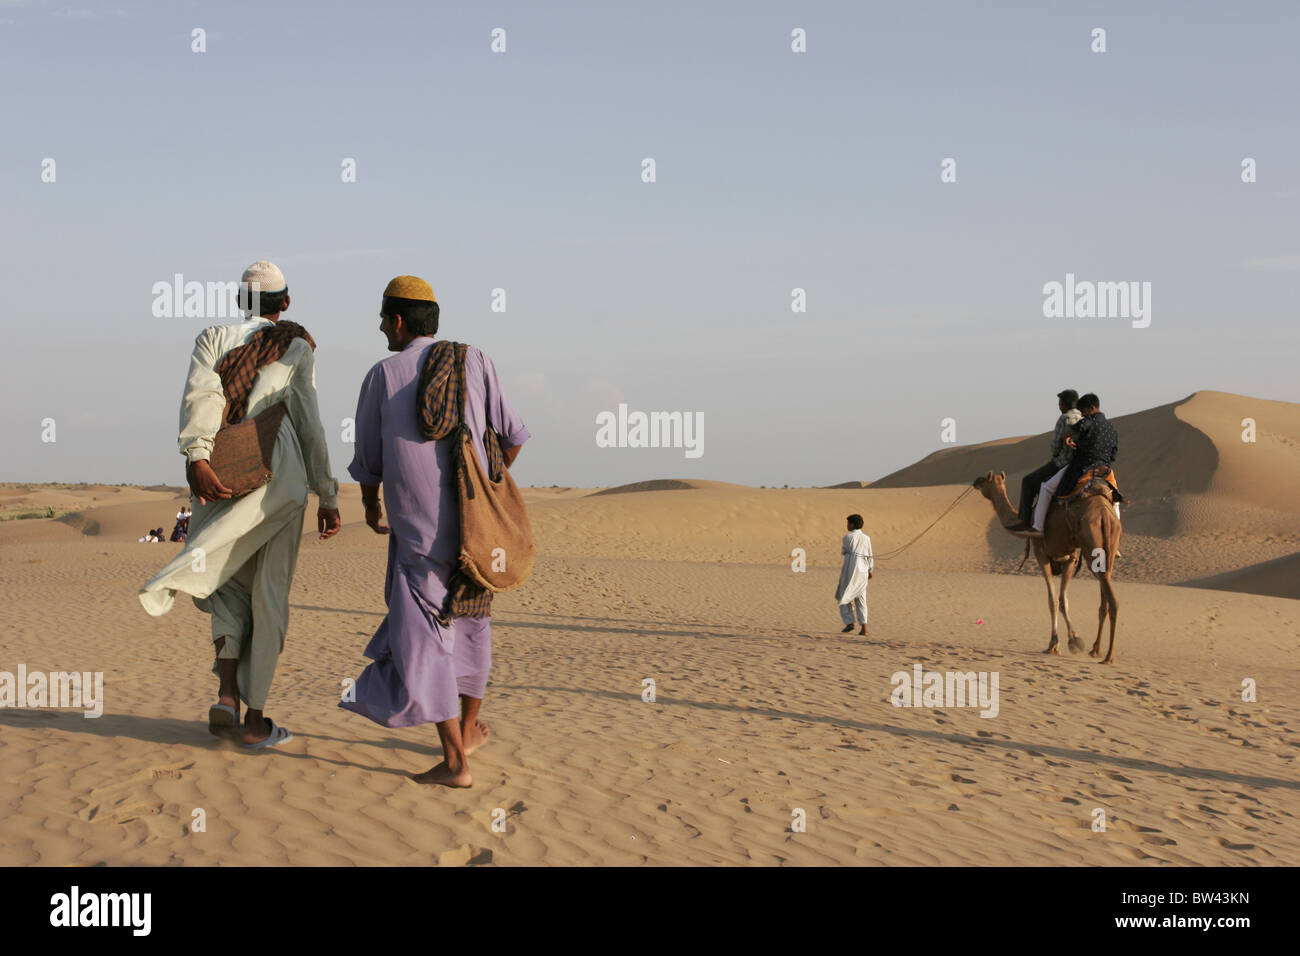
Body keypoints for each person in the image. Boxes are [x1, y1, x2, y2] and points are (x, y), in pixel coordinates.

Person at [139, 260, 341, 748]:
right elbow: (308, 423)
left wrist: (197, 457)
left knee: (226, 583)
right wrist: (327, 493)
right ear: (285, 303)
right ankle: (254, 723)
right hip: (279, 482)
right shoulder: (294, 344)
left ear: (238, 302)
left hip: (219, 476)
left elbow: (201, 398)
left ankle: (227, 694)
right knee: (269, 595)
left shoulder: (212, 337)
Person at [340, 275, 530, 788]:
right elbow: (512, 438)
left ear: (398, 321)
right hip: (477, 533)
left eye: (383, 318)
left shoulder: (383, 374)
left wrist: (370, 503)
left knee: (423, 637)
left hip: (417, 534)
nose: (381, 327)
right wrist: (485, 491)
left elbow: (369, 461)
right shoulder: (478, 361)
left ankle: (454, 763)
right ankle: (466, 732)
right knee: (472, 624)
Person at [1027, 392, 1119, 535]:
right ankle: (1116, 535)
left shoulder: (1088, 421)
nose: (1083, 415)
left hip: (1083, 467)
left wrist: (1067, 439)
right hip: (1105, 470)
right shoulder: (1112, 429)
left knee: (1046, 488)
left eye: (1084, 412)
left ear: (1092, 408)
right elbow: (1113, 454)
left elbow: (1073, 430)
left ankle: (1038, 527)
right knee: (1115, 500)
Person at [1010, 389, 1082, 532]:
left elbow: (1056, 446)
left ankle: (1025, 521)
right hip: (1080, 464)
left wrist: (1055, 454)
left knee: (1028, 481)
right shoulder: (1083, 417)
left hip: (1062, 463)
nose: (1059, 406)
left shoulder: (1064, 418)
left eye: (1060, 403)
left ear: (1064, 404)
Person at [835, 514, 873, 636]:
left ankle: (850, 622)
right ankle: (864, 628)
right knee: (861, 598)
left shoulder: (847, 537)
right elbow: (869, 554)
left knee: (843, 594)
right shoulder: (866, 538)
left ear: (852, 524)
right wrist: (870, 569)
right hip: (863, 569)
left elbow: (844, 551)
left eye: (848, 523)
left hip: (850, 569)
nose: (847, 526)